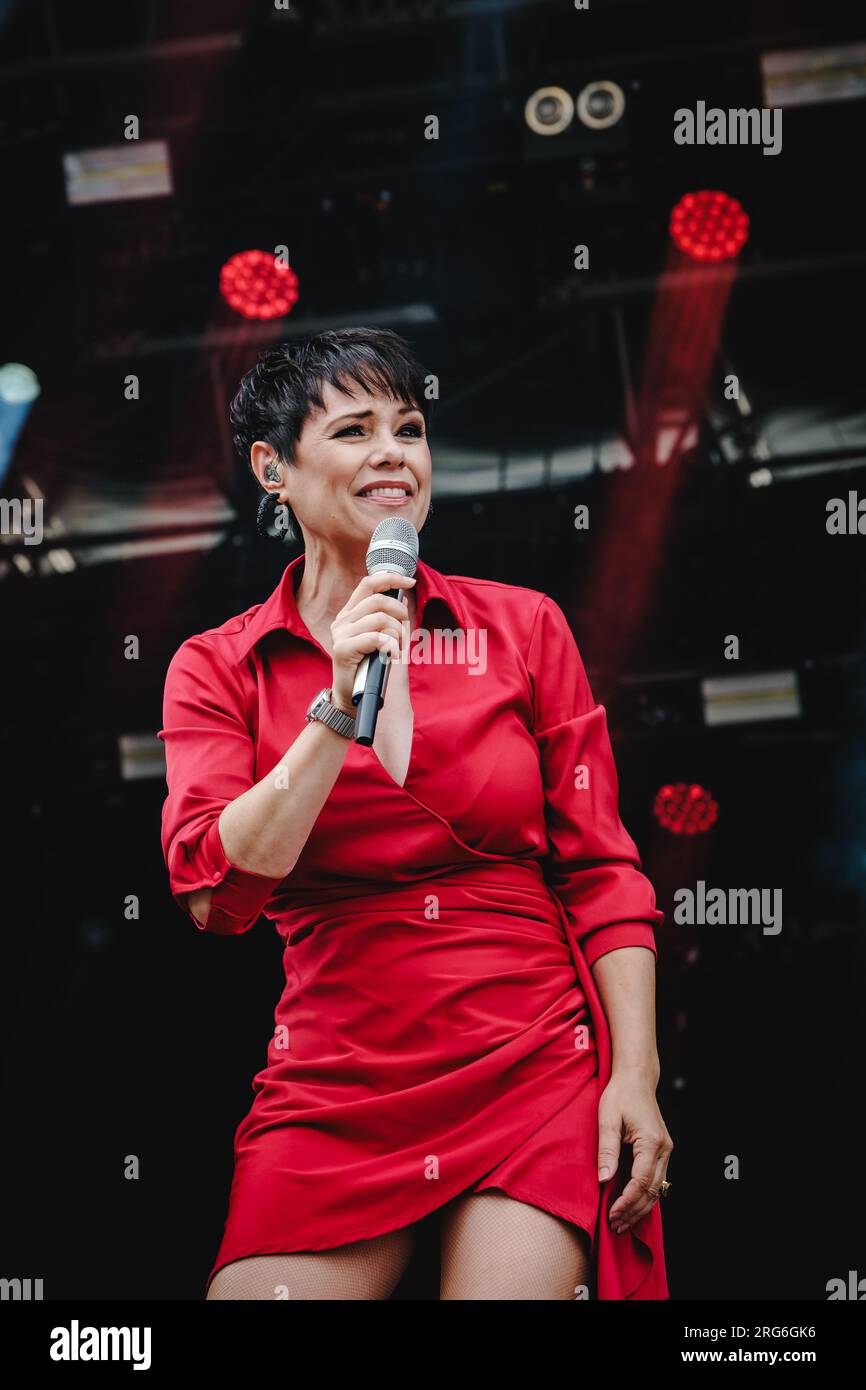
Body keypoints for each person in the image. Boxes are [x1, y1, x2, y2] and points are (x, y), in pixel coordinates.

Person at [158, 327, 673, 1301]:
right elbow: (215, 893)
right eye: (354, 429)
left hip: (525, 1050)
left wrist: (634, 1077)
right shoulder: (217, 665)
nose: (394, 451)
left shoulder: (521, 627)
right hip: (335, 1075)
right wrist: (334, 703)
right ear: (273, 466)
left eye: (410, 427)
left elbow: (604, 872)